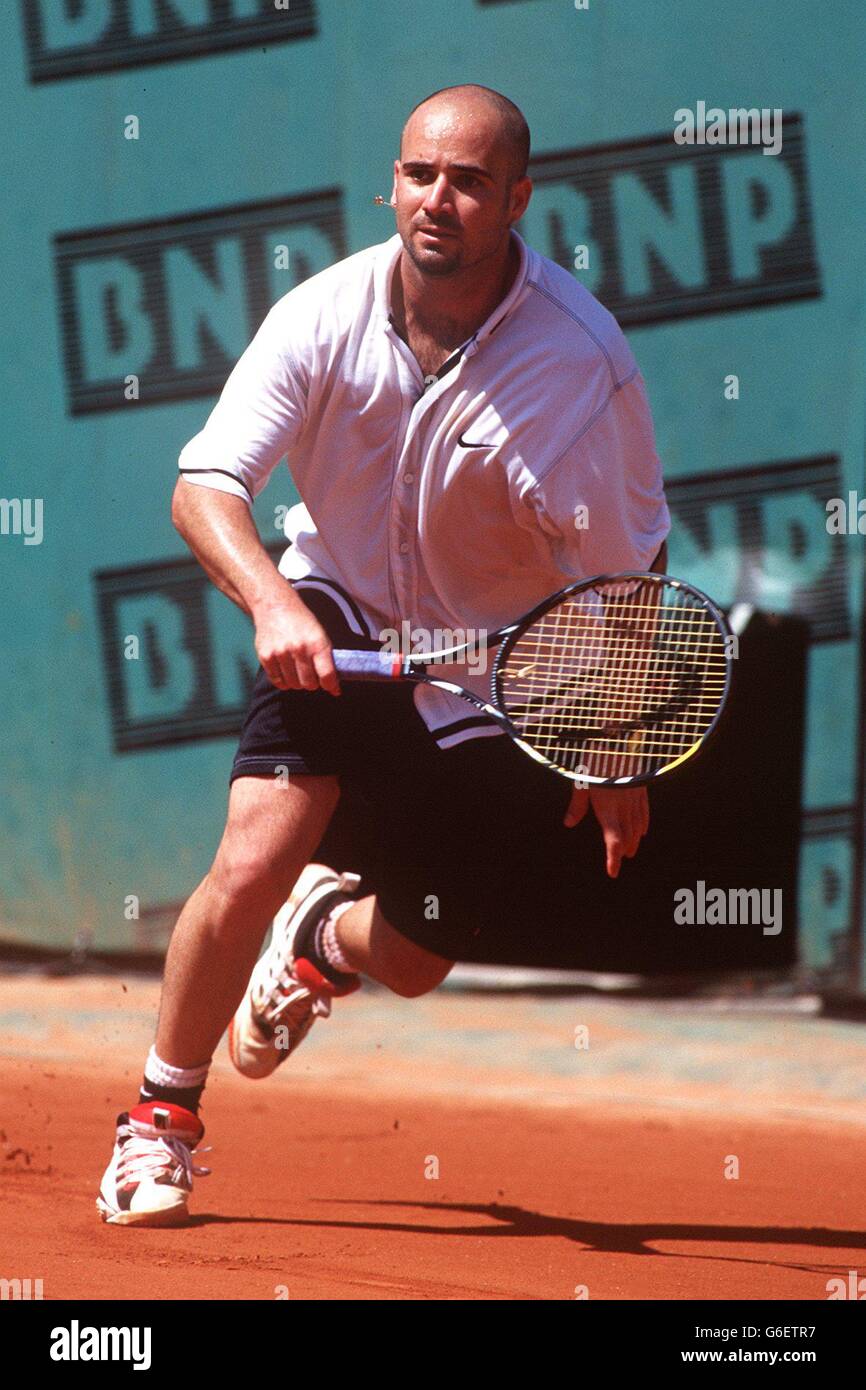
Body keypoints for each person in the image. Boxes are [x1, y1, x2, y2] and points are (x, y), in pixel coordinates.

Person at [97, 84, 670, 1226]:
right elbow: (205, 484)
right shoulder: (319, 314)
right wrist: (272, 601)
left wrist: (617, 744)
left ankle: (324, 941)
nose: (436, 200)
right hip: (336, 610)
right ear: (390, 184)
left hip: (484, 669)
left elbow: (625, 578)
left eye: (466, 181)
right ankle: (158, 1121)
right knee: (256, 851)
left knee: (416, 957)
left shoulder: (580, 368)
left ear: (516, 199)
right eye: (417, 174)